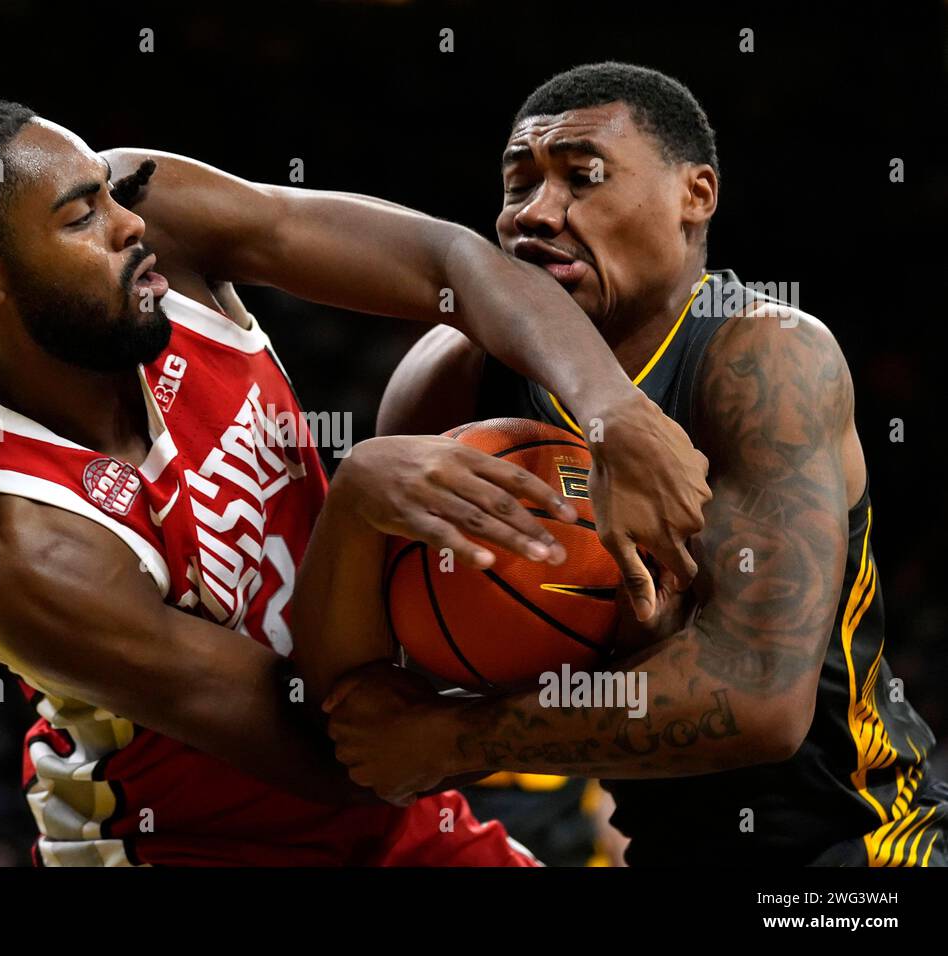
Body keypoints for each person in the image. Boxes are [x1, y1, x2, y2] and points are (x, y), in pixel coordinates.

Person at [0, 99, 710, 865]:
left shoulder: (155, 219)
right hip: (188, 842)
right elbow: (335, 757)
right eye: (80, 217)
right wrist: (364, 512)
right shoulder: (16, 539)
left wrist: (612, 411)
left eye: (107, 193)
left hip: (385, 792)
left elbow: (448, 261)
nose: (126, 220)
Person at [305, 62, 946, 867]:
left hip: (854, 847)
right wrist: (355, 495)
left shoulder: (767, 356)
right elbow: (373, 717)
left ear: (695, 196)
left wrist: (456, 737)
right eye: (518, 185)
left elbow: (761, 700)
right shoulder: (454, 378)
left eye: (584, 178)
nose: (536, 212)